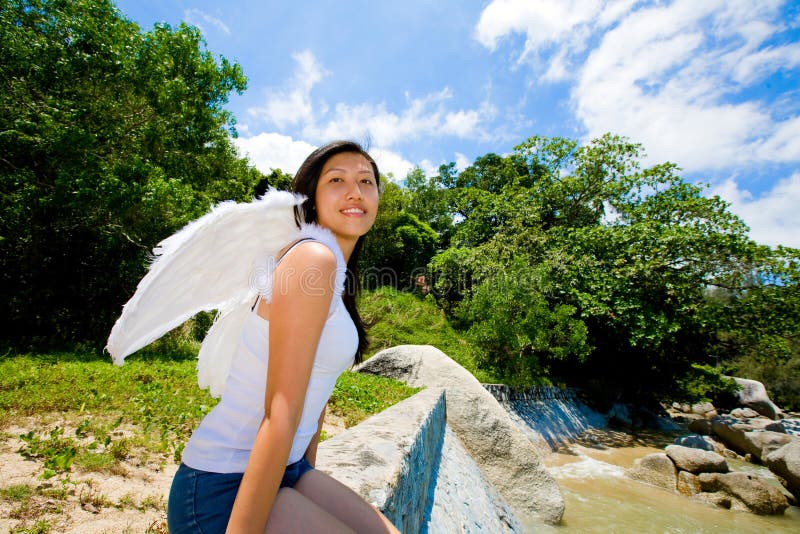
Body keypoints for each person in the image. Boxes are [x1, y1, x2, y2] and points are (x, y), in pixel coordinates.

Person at [166, 141, 400, 533]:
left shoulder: (336, 275)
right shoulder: (313, 259)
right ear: (311, 197)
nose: (355, 191)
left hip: (287, 469)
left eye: (366, 181)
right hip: (224, 484)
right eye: (337, 180)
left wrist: (307, 471)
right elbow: (281, 409)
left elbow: (318, 388)